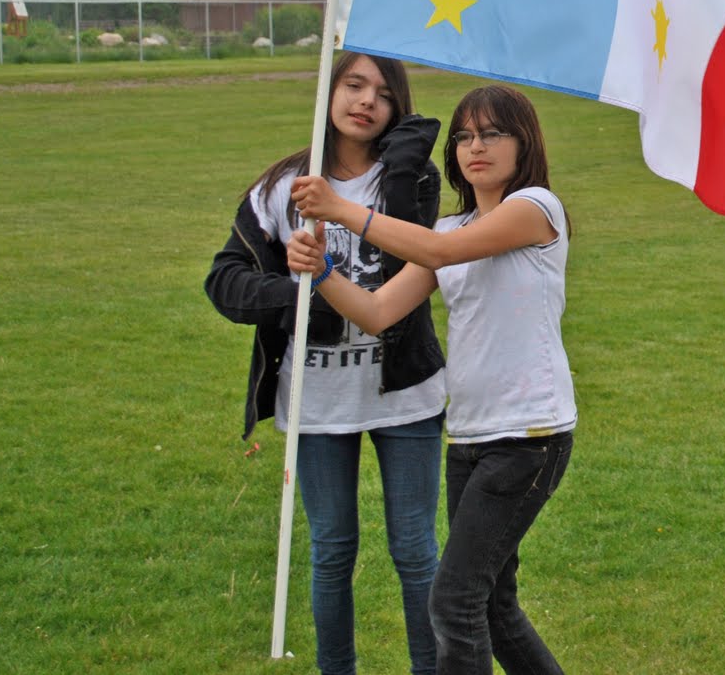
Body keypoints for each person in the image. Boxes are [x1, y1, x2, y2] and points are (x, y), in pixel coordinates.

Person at [286, 83, 574, 675]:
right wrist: (321, 273)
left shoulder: (536, 209)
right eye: (465, 135)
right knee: (492, 605)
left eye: (494, 134)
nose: (476, 147)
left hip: (529, 436)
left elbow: (442, 255)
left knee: (454, 600)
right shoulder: (448, 229)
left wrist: (340, 208)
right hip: (468, 437)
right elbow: (378, 312)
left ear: (524, 144)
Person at [204, 52, 446, 675]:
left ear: (397, 104)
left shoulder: (412, 179)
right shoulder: (283, 188)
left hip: (405, 391)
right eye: (353, 84)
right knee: (332, 549)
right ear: (329, 90)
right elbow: (224, 282)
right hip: (316, 396)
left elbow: (417, 272)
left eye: (382, 92)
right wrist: (297, 293)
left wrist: (342, 275)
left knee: (415, 549)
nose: (366, 101)